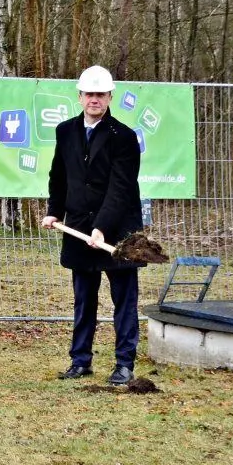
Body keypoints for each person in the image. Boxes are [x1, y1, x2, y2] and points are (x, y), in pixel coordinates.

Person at [42, 65, 144, 386]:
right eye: (90, 94)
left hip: (117, 231)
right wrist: (54, 211)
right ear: (80, 96)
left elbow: (121, 188)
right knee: (84, 299)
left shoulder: (124, 138)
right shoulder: (66, 131)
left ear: (110, 96)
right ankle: (80, 360)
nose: (95, 99)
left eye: (101, 94)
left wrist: (101, 227)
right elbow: (59, 176)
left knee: (123, 300)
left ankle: (124, 364)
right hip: (78, 228)